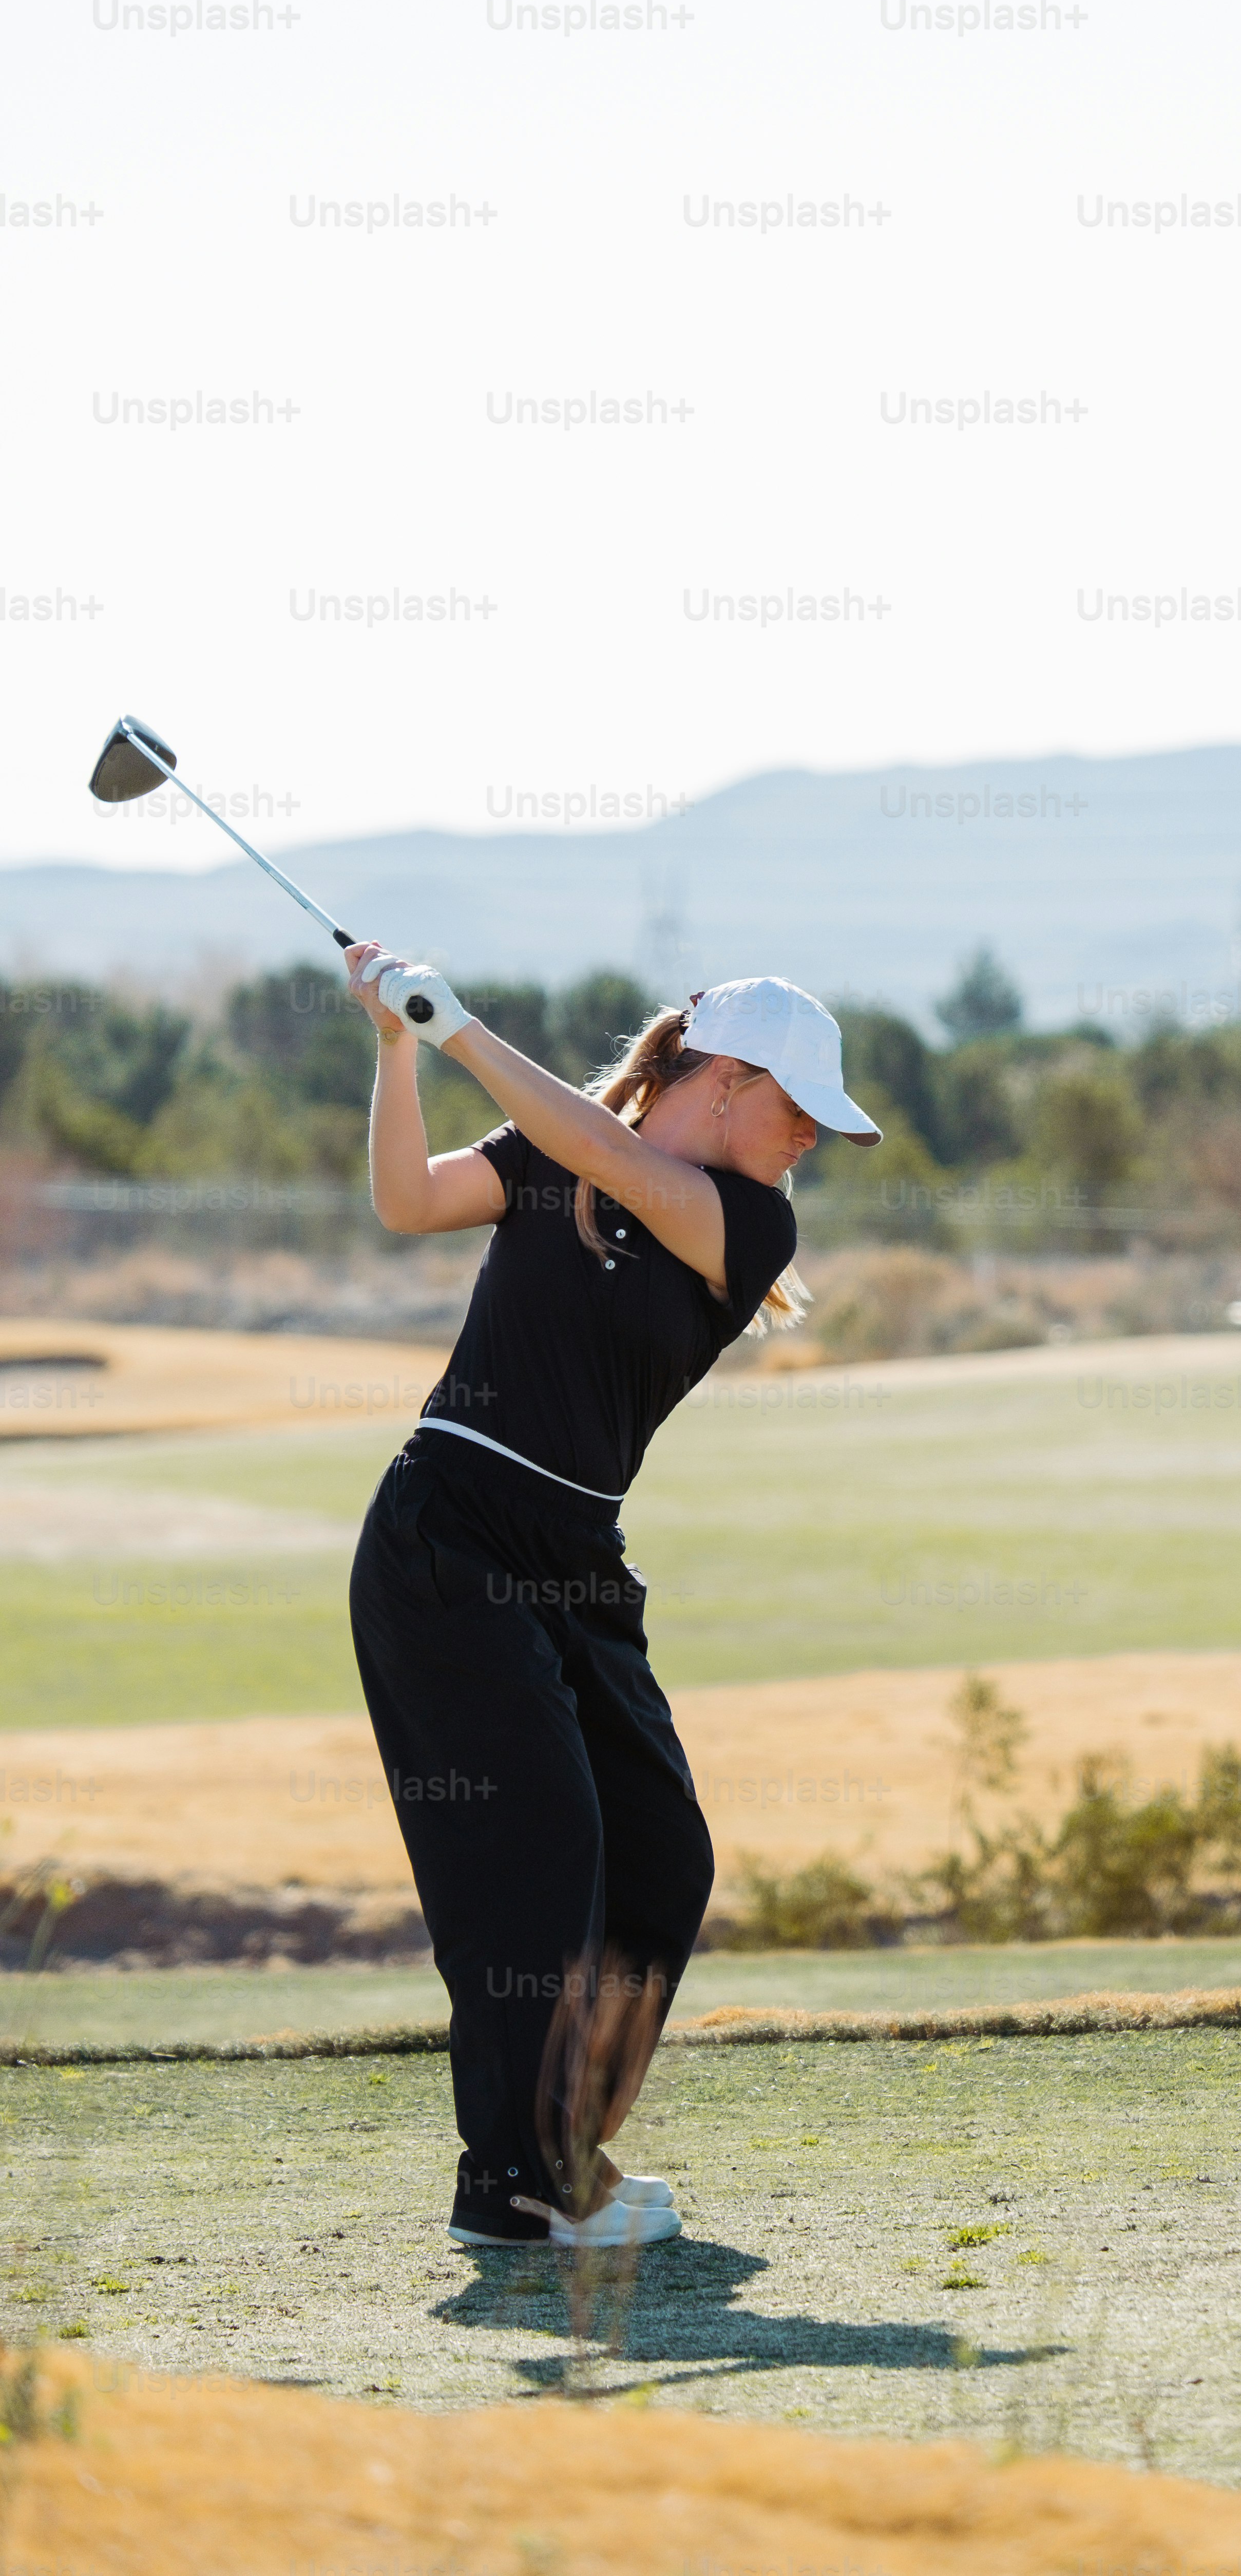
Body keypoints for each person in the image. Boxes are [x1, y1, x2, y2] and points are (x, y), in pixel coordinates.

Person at [342, 947, 881, 2249]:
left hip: (576, 1559)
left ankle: (566, 2147)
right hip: (448, 1540)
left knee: (659, 1857)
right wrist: (399, 1047)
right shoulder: (548, 1154)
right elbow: (410, 1201)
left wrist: (463, 1027)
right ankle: (519, 2187)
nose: (811, 1132)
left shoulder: (751, 1222)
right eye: (795, 1103)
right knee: (536, 1858)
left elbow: (615, 1157)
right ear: (725, 1080)